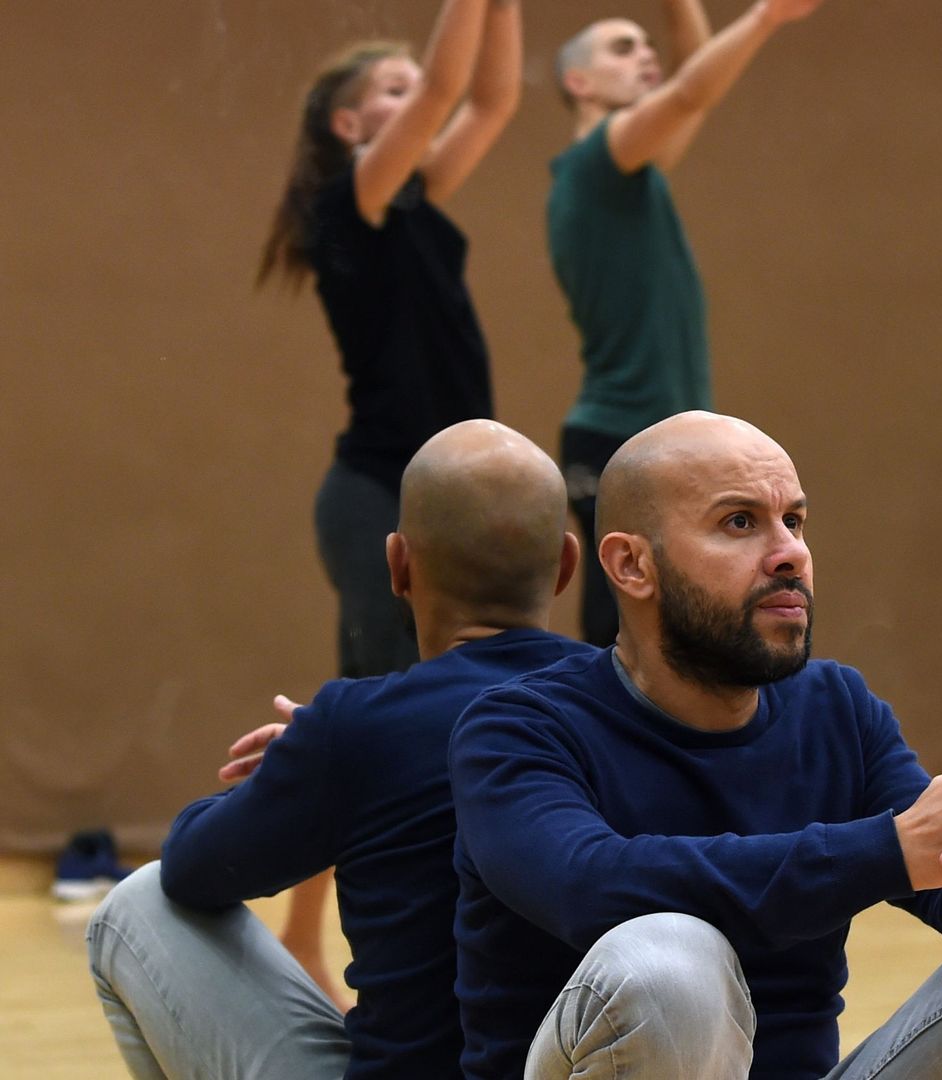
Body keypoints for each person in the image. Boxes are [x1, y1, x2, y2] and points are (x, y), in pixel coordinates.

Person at [450, 411, 942, 1079]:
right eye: (739, 523)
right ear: (633, 566)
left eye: (794, 520)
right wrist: (891, 849)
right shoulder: (516, 728)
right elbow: (588, 886)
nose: (788, 553)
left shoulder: (835, 708)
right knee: (670, 961)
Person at [86, 420, 591, 1078]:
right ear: (567, 566)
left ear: (397, 564)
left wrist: (299, 769)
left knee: (137, 904)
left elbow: (189, 870)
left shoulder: (357, 726)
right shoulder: (628, 704)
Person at [254, 0, 524, 1001]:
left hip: (437, 503)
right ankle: (320, 932)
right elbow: (456, 87)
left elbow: (491, 96)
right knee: (375, 718)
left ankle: (336, 929)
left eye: (415, 87)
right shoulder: (353, 206)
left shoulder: (410, 200)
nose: (423, 102)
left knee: (424, 710)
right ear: (352, 126)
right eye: (396, 92)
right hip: (376, 499)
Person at [549, 0, 824, 646]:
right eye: (621, 47)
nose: (643, 54)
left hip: (647, 433)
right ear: (578, 83)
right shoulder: (599, 162)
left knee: (668, 623)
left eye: (646, 44)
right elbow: (692, 86)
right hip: (619, 432)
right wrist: (762, 17)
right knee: (619, 625)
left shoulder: (625, 171)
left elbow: (691, 90)